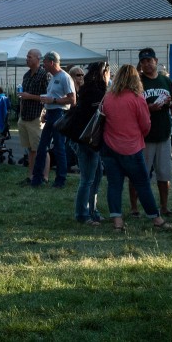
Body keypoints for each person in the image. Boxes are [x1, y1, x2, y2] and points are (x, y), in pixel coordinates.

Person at [100, 64, 172, 231]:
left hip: (109, 146)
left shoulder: (108, 97)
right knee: (142, 183)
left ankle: (117, 220)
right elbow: (146, 124)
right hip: (131, 147)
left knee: (114, 184)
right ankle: (156, 218)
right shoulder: (137, 98)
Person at [130, 47, 172, 217]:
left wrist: (168, 103)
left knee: (164, 173)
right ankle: (134, 207)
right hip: (144, 135)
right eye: (143, 61)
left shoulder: (165, 81)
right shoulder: (137, 82)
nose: (147, 64)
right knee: (139, 173)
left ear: (156, 61)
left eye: (149, 61)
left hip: (164, 133)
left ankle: (164, 206)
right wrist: (148, 108)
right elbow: (131, 107)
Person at [66, 61, 109, 226]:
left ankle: (92, 210)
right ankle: (83, 214)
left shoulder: (88, 90)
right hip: (87, 139)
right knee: (88, 179)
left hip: (85, 138)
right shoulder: (97, 93)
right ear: (102, 73)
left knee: (96, 175)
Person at [30, 51, 76, 188]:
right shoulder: (52, 77)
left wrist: (53, 100)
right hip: (51, 113)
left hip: (59, 114)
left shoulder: (65, 77)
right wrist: (46, 108)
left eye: (44, 62)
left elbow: (72, 100)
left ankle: (60, 180)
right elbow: (51, 97)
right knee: (42, 146)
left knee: (59, 147)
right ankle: (36, 179)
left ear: (51, 62)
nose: (42, 64)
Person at [17, 49, 51, 184]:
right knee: (30, 149)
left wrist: (29, 96)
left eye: (29, 57)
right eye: (26, 57)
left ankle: (45, 176)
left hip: (36, 117)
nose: (27, 59)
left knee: (42, 148)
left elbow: (48, 97)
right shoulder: (26, 75)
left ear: (38, 58)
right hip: (24, 116)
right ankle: (31, 176)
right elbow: (23, 96)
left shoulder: (44, 75)